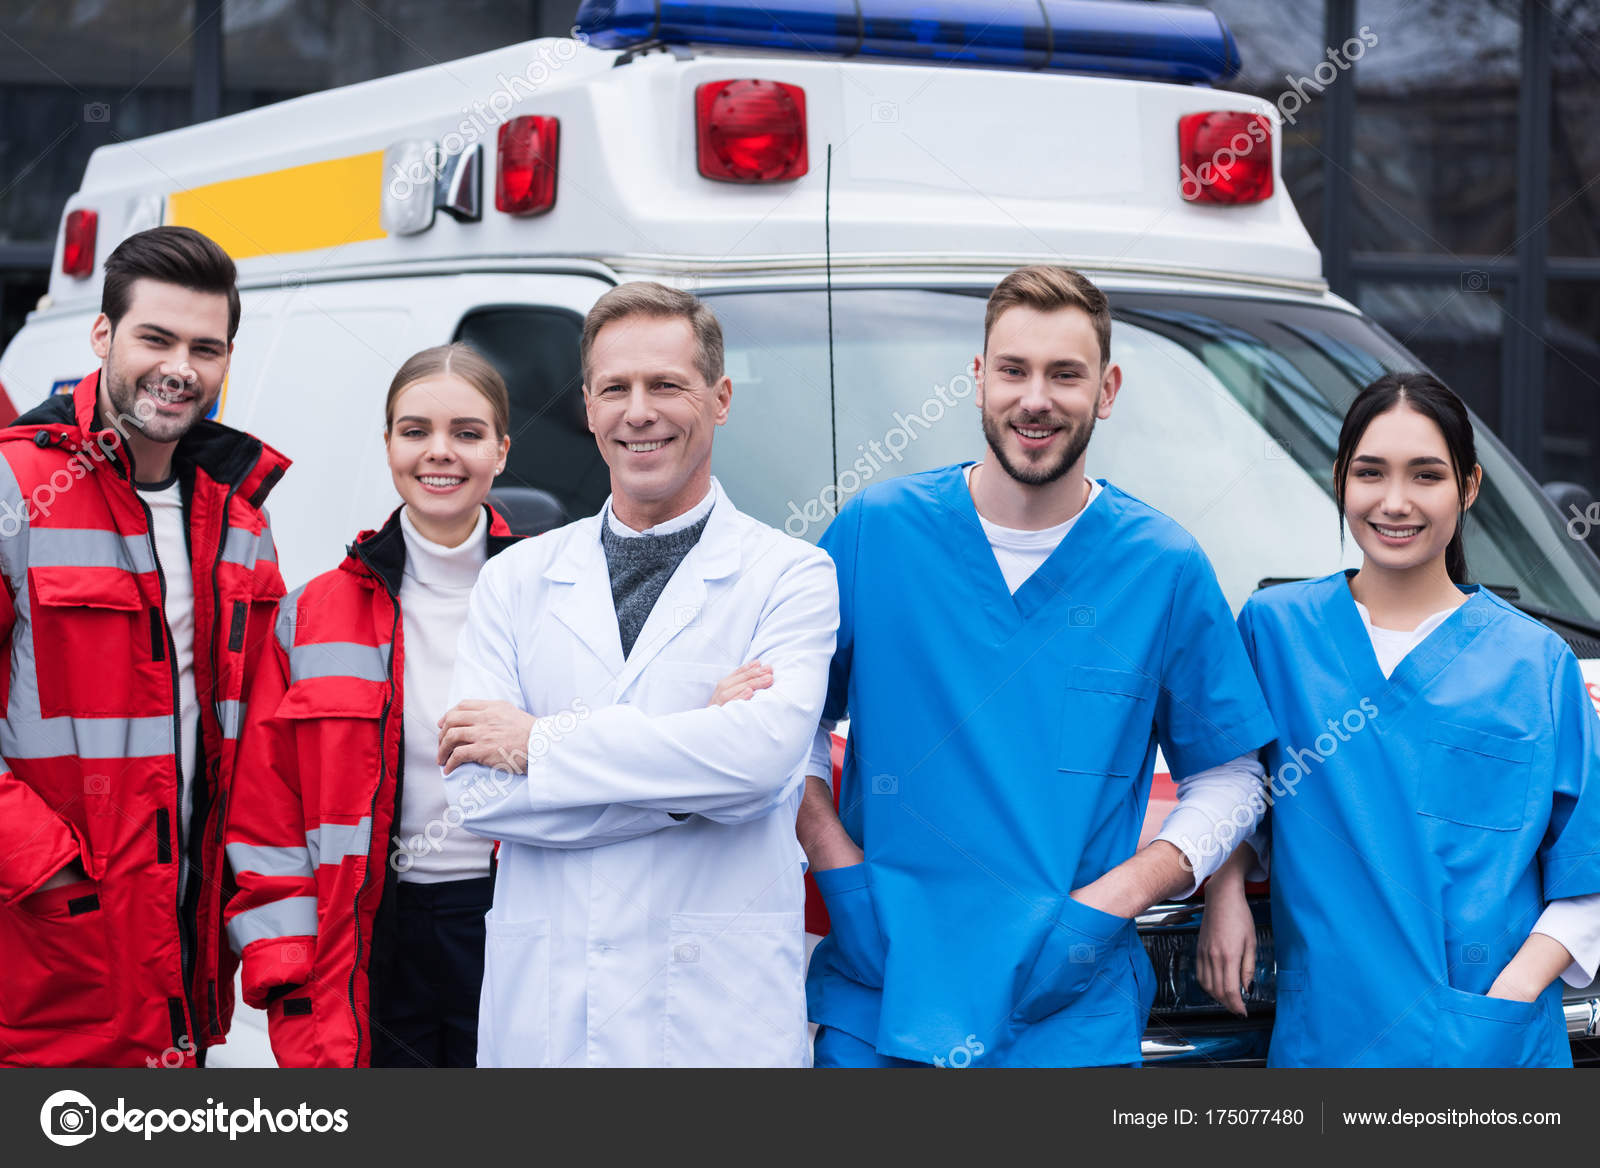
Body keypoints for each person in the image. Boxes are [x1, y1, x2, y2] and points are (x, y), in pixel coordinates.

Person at [798, 264, 1279, 1068]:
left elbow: (1232, 775)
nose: (1035, 399)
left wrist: (1115, 897)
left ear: (1108, 388)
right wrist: (836, 862)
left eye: (1066, 374)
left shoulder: (1161, 566)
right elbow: (788, 723)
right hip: (884, 992)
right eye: (1014, 370)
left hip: (1066, 1013)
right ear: (979, 379)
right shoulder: (876, 533)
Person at [436, 281, 838, 1067]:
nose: (639, 411)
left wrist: (539, 744)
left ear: (719, 398)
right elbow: (476, 795)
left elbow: (757, 767)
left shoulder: (791, 575)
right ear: (587, 407)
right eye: (615, 388)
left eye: (666, 385)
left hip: (713, 1025)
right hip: (548, 1019)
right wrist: (694, 794)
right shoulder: (514, 580)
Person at [1197, 373, 1600, 1068]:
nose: (1395, 501)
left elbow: (1588, 872)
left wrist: (1504, 1002)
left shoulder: (1537, 665)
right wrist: (1225, 889)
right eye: (1370, 473)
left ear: (1469, 488)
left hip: (1488, 1050)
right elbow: (1235, 789)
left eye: (1426, 475)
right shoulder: (1275, 634)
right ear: (1339, 482)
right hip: (1328, 1041)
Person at [0, 226, 289, 1067]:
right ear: (103, 337)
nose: (179, 368)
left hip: (185, 973)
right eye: (155, 338)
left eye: (205, 347)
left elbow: (256, 740)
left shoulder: (240, 517)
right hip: (47, 967)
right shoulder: (17, 490)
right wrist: (55, 879)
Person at [222, 344, 522, 1067]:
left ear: (502, 451)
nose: (439, 453)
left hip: (516, 925)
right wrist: (288, 976)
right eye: (415, 431)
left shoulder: (556, 594)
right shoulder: (312, 614)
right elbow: (266, 813)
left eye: (468, 433)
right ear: (387, 444)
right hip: (367, 936)